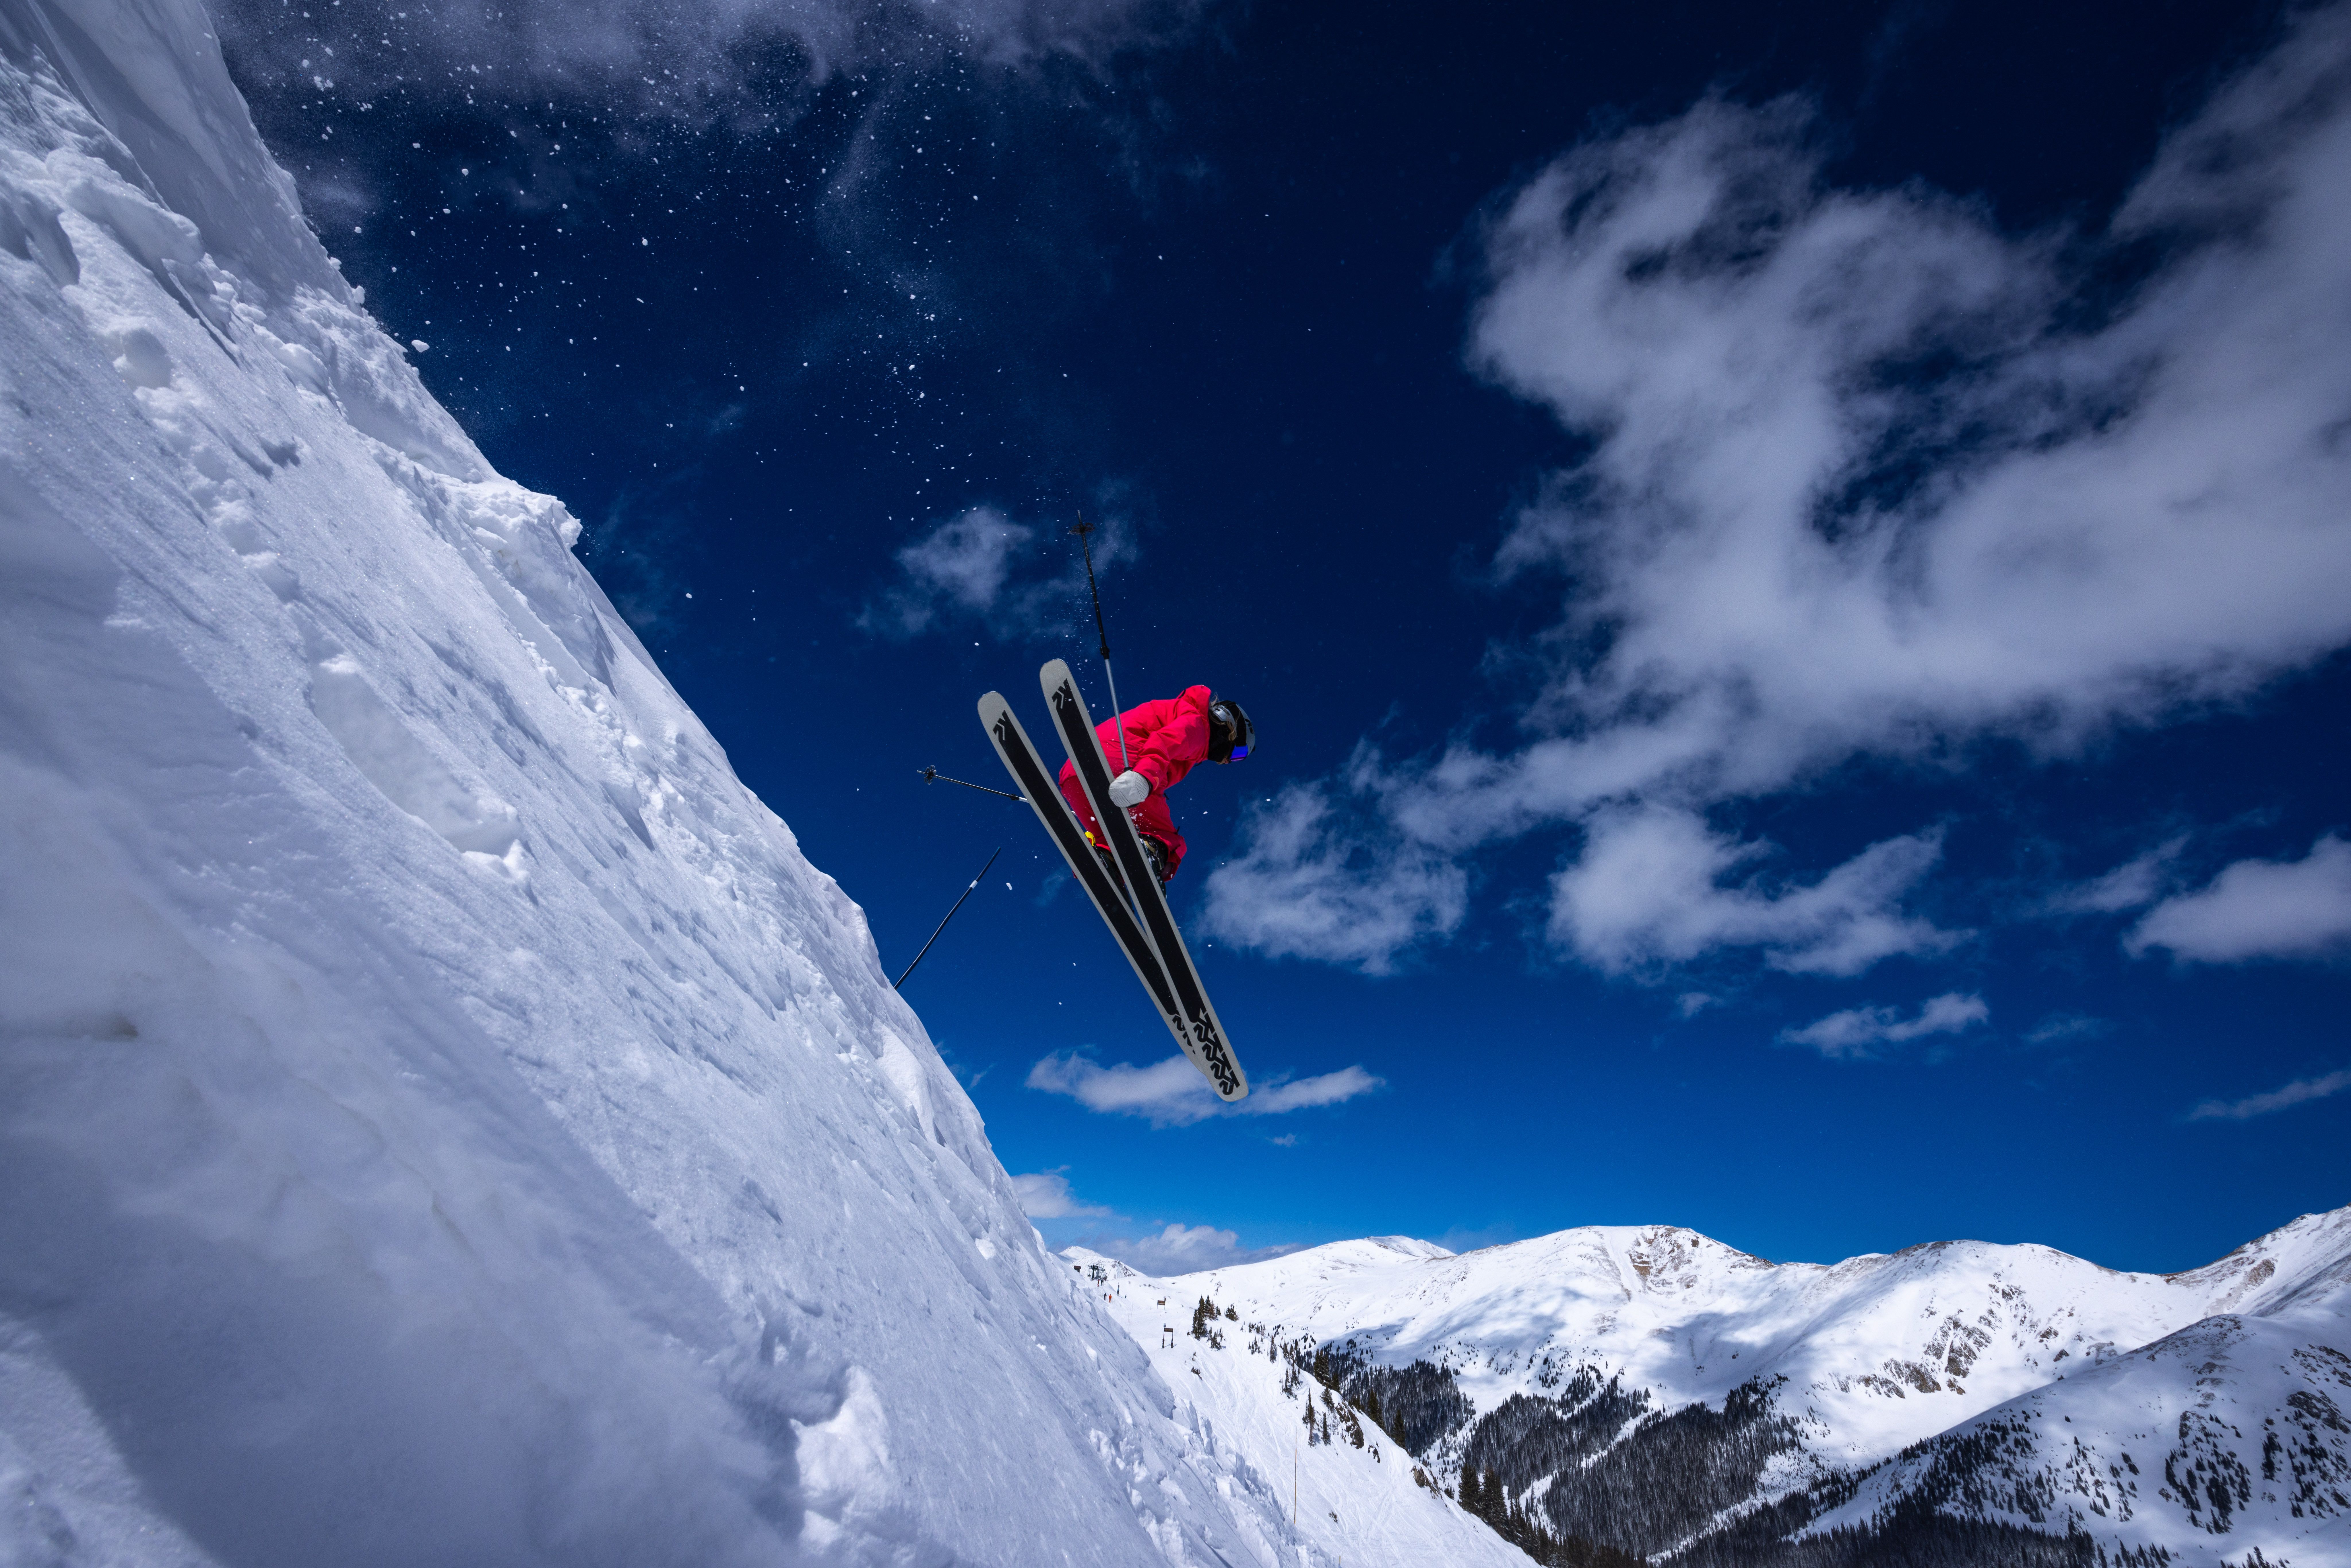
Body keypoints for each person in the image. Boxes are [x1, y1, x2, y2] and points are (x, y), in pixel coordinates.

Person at [1057, 687, 1253, 885]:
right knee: (1169, 843)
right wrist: (1144, 777)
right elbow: (1165, 742)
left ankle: (1106, 863)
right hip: (1120, 769)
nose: (1228, 761)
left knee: (1109, 840)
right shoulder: (1198, 724)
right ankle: (1149, 853)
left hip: (1073, 775)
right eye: (1238, 754)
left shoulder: (1176, 711)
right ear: (1230, 728)